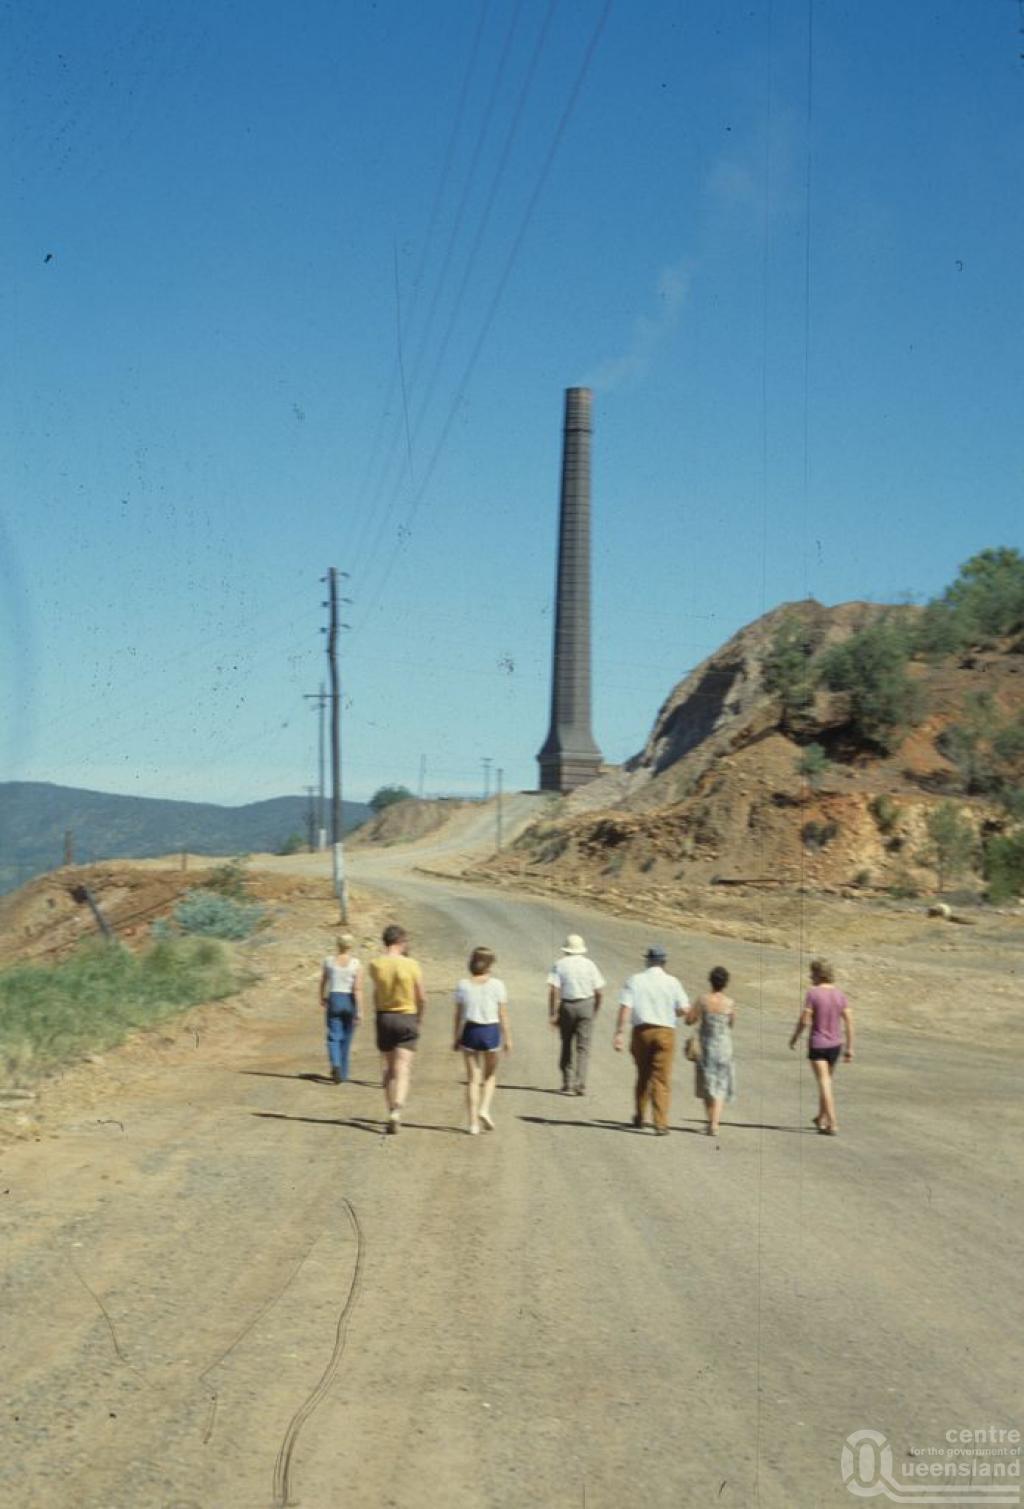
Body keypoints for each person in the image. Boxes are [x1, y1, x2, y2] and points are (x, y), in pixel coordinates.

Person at [613, 945, 689, 1135]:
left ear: (647, 961)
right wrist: (671, 1012)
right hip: (665, 1032)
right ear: (664, 962)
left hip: (642, 1032)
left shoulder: (635, 980)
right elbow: (684, 1009)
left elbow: (625, 1008)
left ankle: (640, 1116)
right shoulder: (673, 982)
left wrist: (620, 1032)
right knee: (661, 1078)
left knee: (643, 1075)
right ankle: (660, 1123)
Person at [367, 924, 426, 1134]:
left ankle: (390, 1108)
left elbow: (377, 991)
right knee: (403, 1067)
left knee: (388, 1068)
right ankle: (398, 1108)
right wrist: (419, 1018)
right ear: (400, 941)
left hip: (384, 1016)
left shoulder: (375, 964)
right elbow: (422, 997)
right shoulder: (412, 964)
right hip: (406, 1016)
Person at [789, 958, 854, 1136]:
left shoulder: (813, 993)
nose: (811, 977)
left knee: (824, 1083)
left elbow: (805, 1020)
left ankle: (833, 1123)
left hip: (818, 1044)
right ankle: (821, 1117)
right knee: (826, 1082)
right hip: (836, 1045)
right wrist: (850, 1047)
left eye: (812, 973)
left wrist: (795, 1038)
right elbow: (849, 1021)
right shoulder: (840, 995)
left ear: (819, 974)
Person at [452, 946, 512, 1135]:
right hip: (491, 1031)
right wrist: (508, 1038)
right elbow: (503, 1014)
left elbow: (458, 1014)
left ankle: (472, 1124)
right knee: (490, 1076)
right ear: (490, 965)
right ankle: (484, 1108)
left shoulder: (463, 985)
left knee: (472, 1079)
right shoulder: (497, 985)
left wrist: (456, 1036)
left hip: (470, 1031)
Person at [547, 933, 605, 1095]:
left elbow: (554, 990)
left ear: (566, 950)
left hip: (567, 1006)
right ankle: (580, 1083)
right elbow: (599, 991)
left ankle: (568, 1082)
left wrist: (553, 1013)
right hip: (586, 1004)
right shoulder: (590, 965)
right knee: (583, 1047)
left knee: (566, 1043)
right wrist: (595, 1009)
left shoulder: (559, 965)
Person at [686, 965, 736, 1136]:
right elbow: (731, 1024)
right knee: (721, 1085)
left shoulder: (703, 1000)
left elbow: (689, 1020)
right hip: (724, 1047)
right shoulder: (730, 1003)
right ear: (725, 983)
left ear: (710, 981)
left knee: (707, 1085)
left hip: (706, 1047)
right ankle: (715, 1124)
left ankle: (710, 1122)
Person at [318, 932, 363, 1084]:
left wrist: (322, 996)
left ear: (338, 945)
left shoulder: (329, 961)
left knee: (334, 1035)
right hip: (349, 999)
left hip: (334, 997)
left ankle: (335, 1064)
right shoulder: (356, 964)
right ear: (351, 946)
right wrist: (360, 1010)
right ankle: (343, 1073)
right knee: (347, 1037)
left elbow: (323, 981)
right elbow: (358, 989)